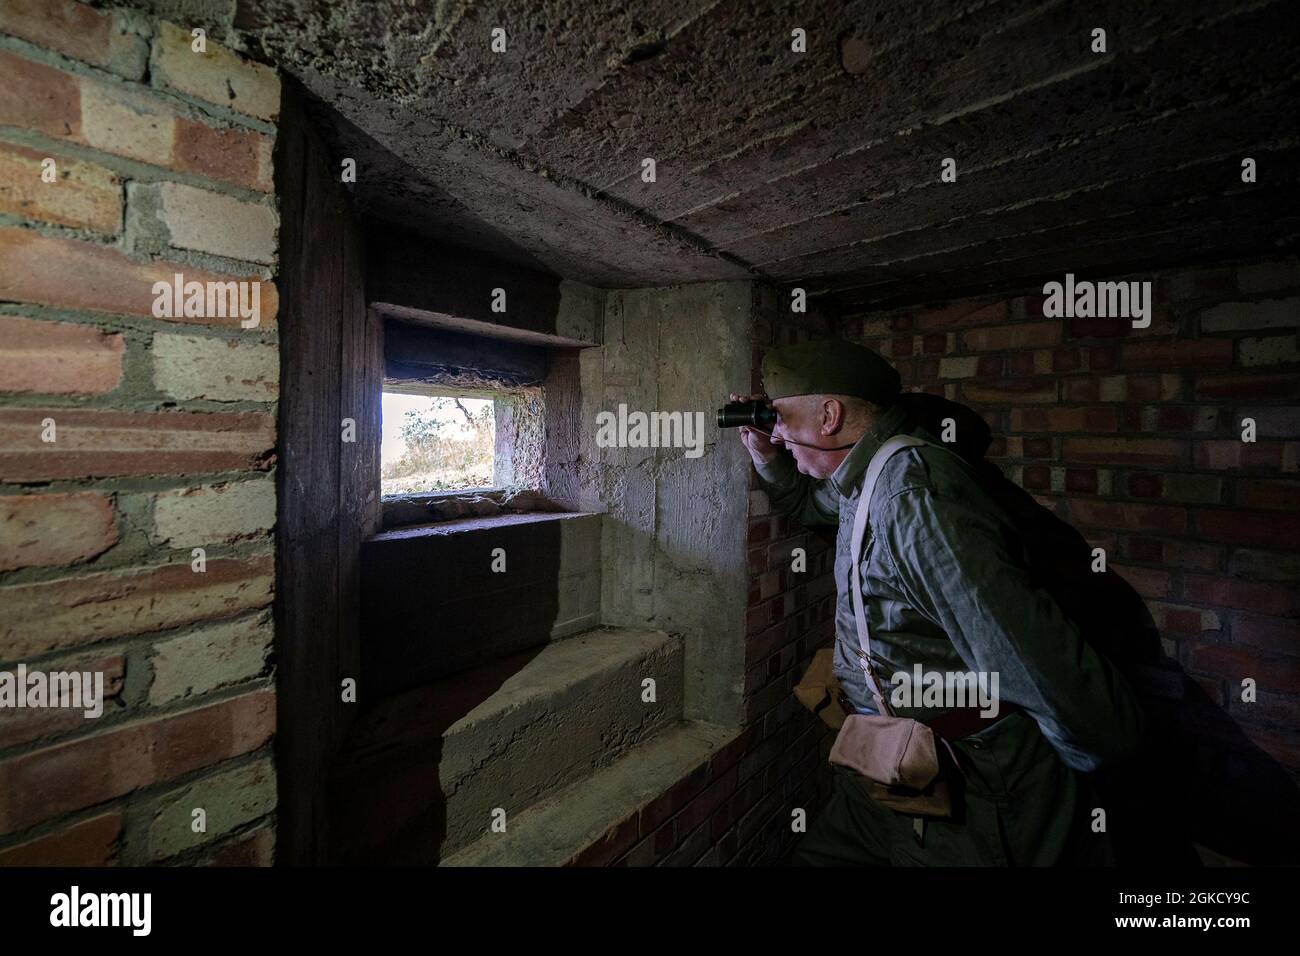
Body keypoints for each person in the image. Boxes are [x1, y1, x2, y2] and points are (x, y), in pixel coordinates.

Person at [735, 339, 1146, 865]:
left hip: (974, 776)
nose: (777, 430)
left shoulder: (912, 495)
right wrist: (767, 456)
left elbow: (1022, 654)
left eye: (781, 416)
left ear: (830, 415)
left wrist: (1097, 766)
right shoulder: (860, 476)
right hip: (894, 759)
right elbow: (809, 505)